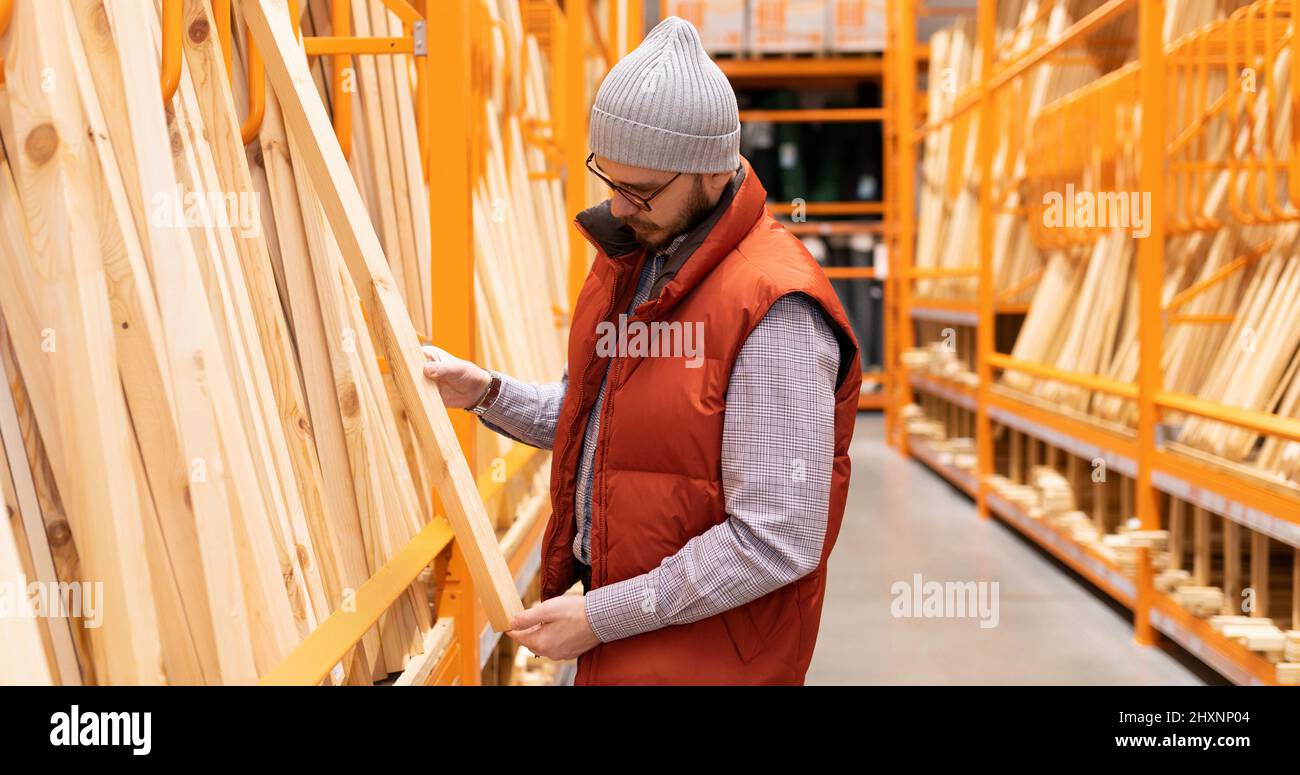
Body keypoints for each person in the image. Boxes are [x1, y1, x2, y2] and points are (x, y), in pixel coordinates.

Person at [423, 16, 862, 685]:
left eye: (643, 190)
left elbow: (777, 535)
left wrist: (602, 615)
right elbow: (596, 423)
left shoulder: (775, 308)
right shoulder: (637, 259)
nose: (621, 205)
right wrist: (486, 392)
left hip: (709, 662)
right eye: (611, 180)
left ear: (713, 171)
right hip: (631, 643)